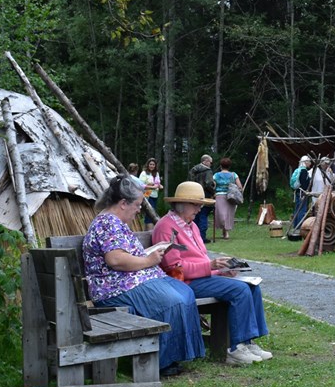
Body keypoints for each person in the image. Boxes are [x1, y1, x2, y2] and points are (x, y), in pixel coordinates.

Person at [82, 175, 206, 376]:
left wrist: (149, 255)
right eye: (138, 205)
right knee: (172, 300)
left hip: (130, 281)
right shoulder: (107, 223)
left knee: (184, 292)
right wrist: (148, 261)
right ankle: (159, 361)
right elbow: (116, 259)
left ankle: (173, 356)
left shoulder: (115, 222)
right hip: (115, 289)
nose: (140, 210)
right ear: (123, 203)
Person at [154, 181, 272, 366]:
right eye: (196, 204)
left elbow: (200, 259)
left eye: (201, 205)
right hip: (183, 283)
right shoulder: (166, 227)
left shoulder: (190, 225)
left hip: (201, 277)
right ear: (181, 204)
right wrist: (211, 267)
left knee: (251, 287)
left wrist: (221, 271)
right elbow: (173, 267)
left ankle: (248, 342)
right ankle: (235, 349)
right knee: (239, 291)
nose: (200, 209)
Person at [188, 154, 216, 243]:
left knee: (195, 216)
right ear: (206, 161)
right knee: (204, 215)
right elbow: (208, 184)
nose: (211, 164)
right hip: (205, 196)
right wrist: (213, 192)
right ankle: (202, 237)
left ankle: (194, 236)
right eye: (210, 162)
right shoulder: (208, 171)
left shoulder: (193, 170)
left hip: (194, 195)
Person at [213, 157, 242, 239]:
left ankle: (225, 232)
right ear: (229, 166)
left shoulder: (216, 175)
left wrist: (213, 193)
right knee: (228, 214)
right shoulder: (234, 175)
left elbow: (213, 185)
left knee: (221, 214)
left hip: (219, 195)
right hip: (231, 196)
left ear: (220, 166)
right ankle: (225, 232)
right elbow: (240, 186)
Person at [290, 155, 313, 230]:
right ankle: (299, 227)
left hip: (297, 192)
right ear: (305, 162)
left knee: (297, 209)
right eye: (309, 161)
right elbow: (304, 183)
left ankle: (295, 225)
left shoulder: (298, 170)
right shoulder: (304, 171)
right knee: (302, 210)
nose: (310, 163)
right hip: (302, 193)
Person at [139, 158, 163, 224]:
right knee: (150, 212)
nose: (152, 166)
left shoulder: (156, 173)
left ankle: (149, 228)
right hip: (147, 194)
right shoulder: (144, 173)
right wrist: (152, 187)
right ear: (148, 165)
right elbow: (141, 184)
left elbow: (157, 183)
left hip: (155, 195)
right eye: (150, 164)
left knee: (153, 211)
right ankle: (149, 229)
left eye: (153, 164)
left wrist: (159, 185)